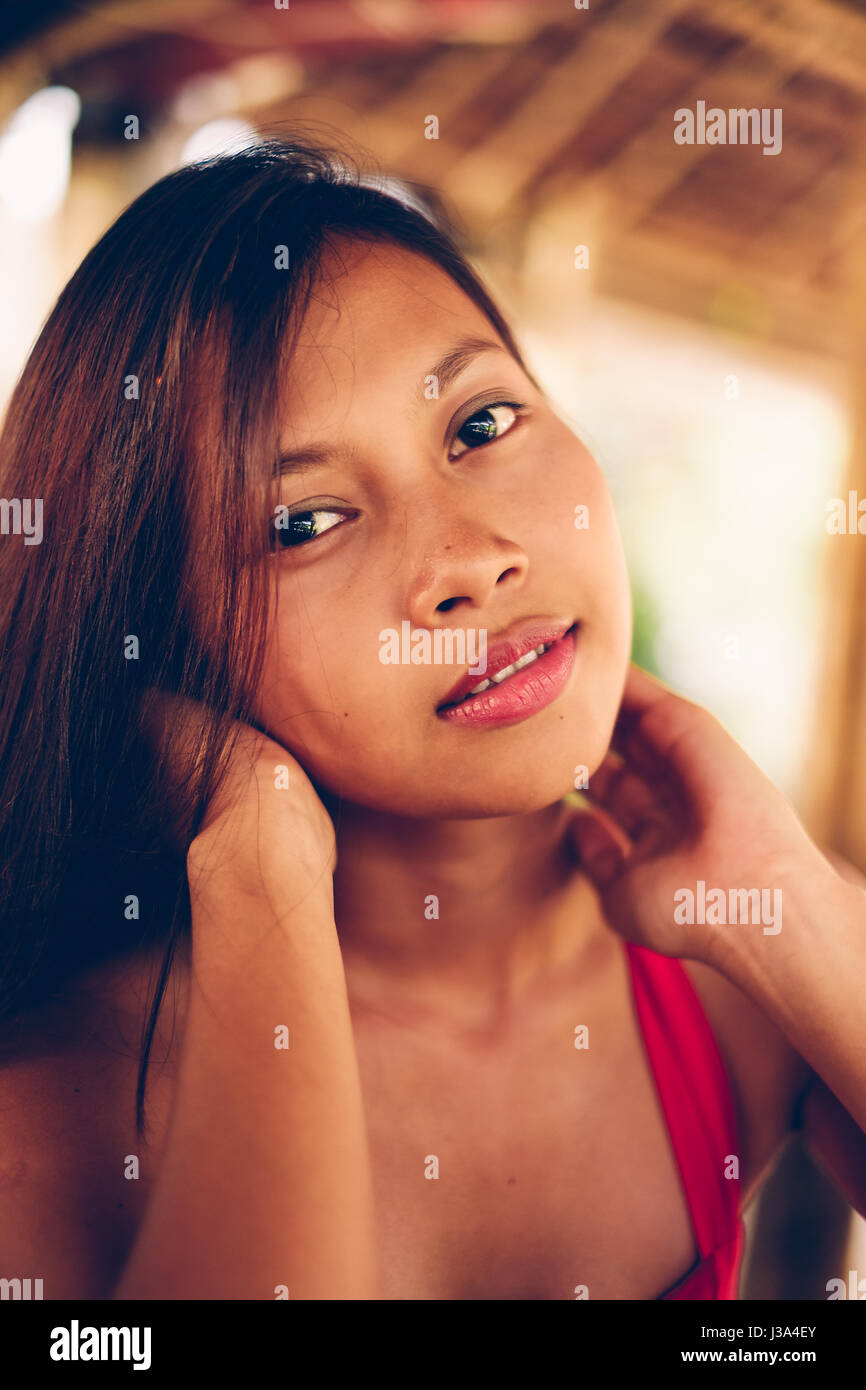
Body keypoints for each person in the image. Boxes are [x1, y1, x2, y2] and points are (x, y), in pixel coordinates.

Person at [0, 137, 863, 1301]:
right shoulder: (58, 1117)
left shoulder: (736, 985)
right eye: (303, 523)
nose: (471, 560)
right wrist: (260, 862)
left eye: (479, 425)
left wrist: (781, 897)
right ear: (167, 638)